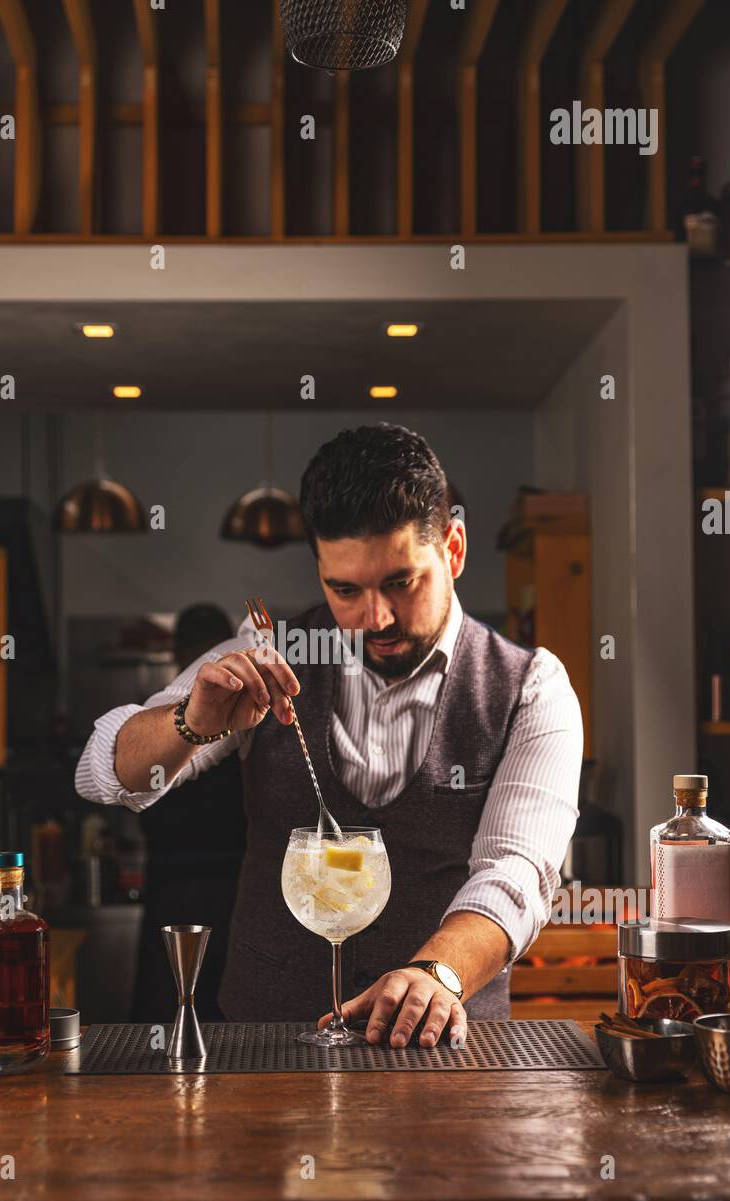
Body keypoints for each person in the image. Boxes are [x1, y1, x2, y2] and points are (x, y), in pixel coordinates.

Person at [76, 424, 582, 1048]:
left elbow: (517, 870)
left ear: (452, 549)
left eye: (401, 582)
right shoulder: (266, 654)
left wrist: (436, 974)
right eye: (345, 589)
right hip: (267, 1045)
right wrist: (193, 722)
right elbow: (102, 771)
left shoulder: (531, 687)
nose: (376, 619)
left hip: (442, 1054)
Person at [132, 605, 246, 1022]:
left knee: (169, 1017)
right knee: (214, 1021)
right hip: (214, 894)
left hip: (187, 894)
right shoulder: (165, 724)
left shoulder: (242, 718)